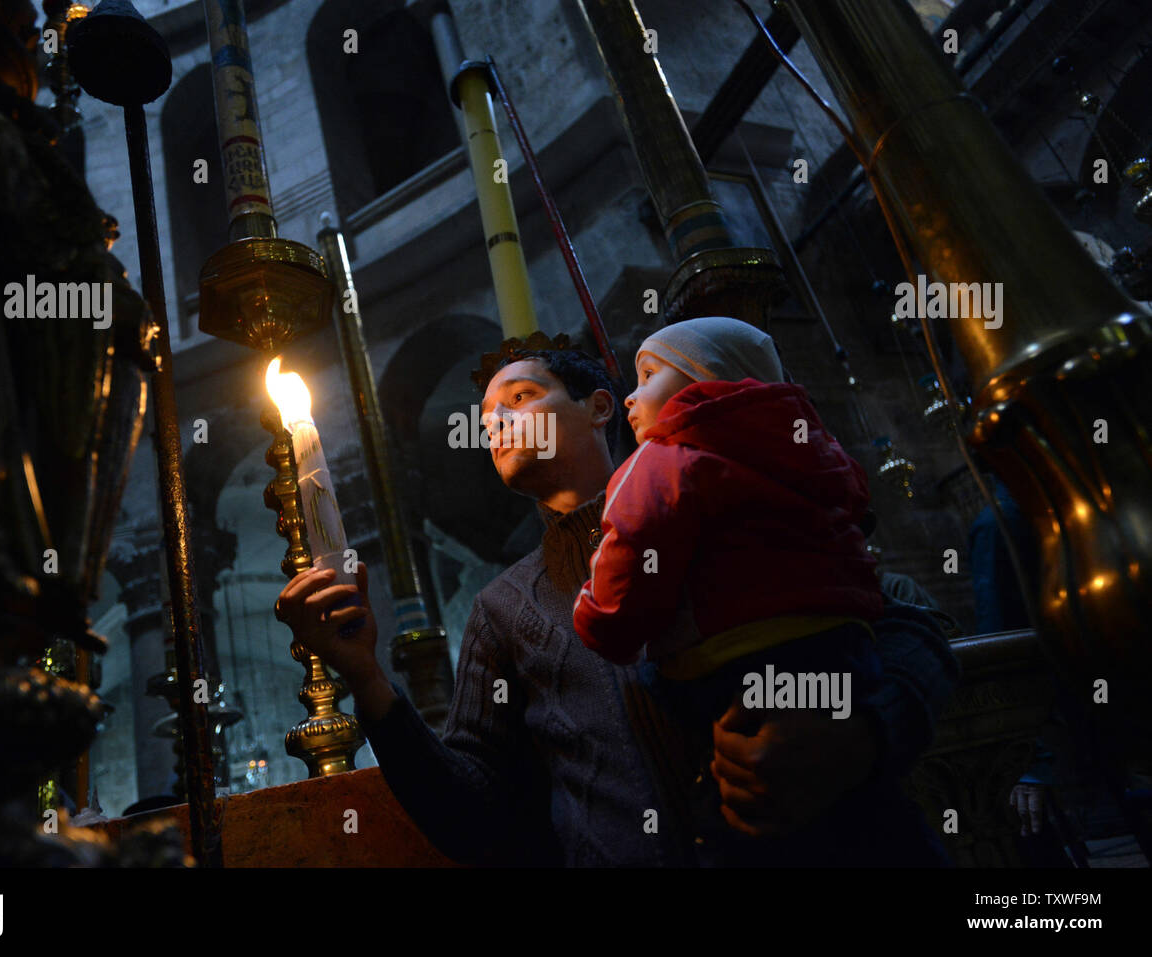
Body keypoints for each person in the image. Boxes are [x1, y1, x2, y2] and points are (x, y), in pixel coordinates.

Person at [274, 339, 960, 865]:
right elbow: (475, 813)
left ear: (601, 405)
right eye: (486, 419)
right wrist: (365, 677)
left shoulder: (714, 492)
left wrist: (861, 732)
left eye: (519, 397)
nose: (497, 423)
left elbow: (904, 623)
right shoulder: (502, 609)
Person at [572, 316, 947, 865]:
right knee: (863, 822)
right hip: (846, 651)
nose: (633, 396)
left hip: (734, 674)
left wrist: (593, 615)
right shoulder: (816, 452)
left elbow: (626, 579)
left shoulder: (659, 460)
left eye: (648, 375)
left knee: (757, 814)